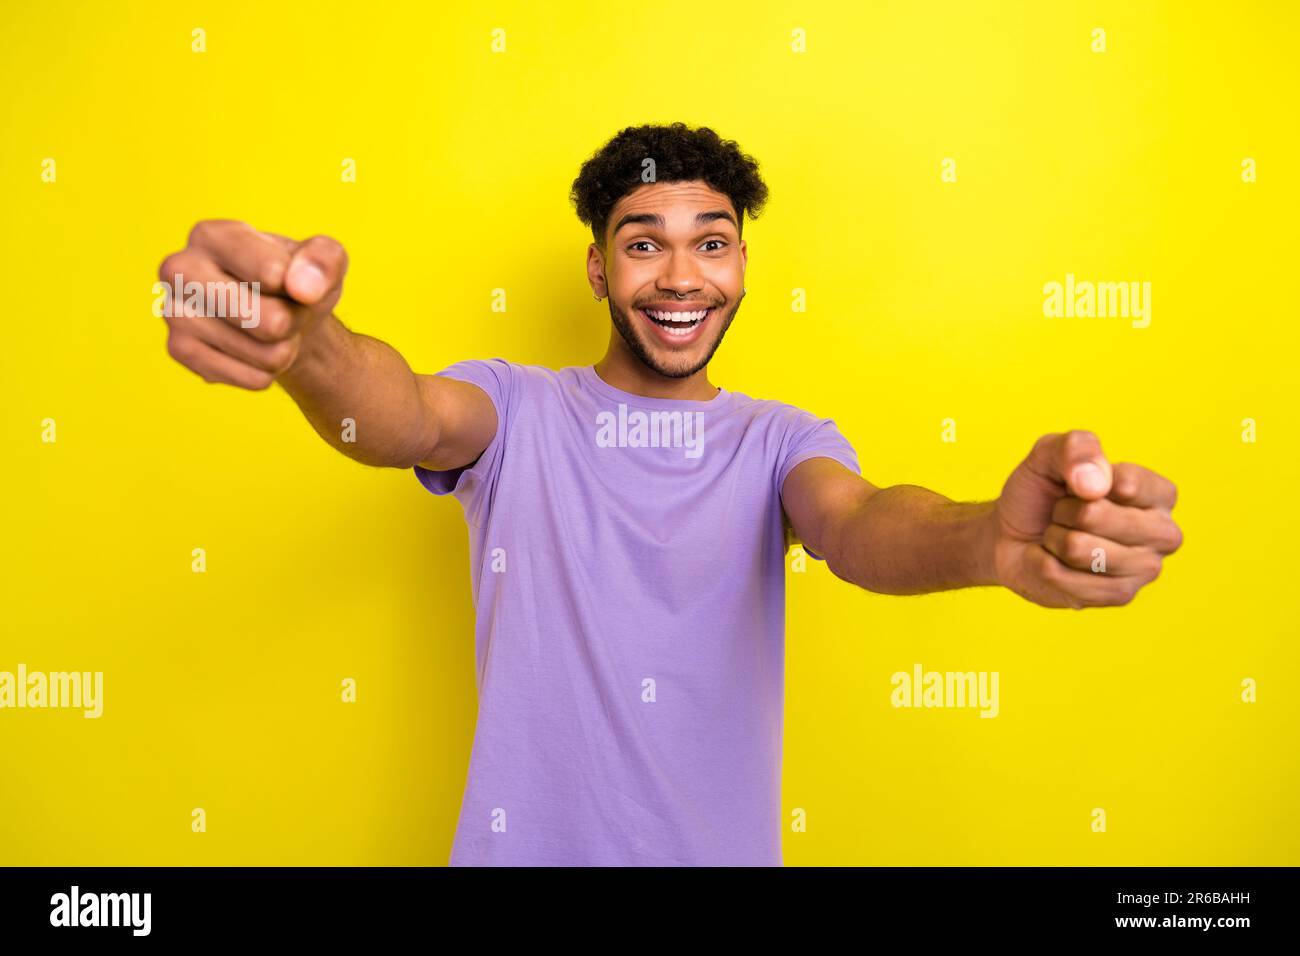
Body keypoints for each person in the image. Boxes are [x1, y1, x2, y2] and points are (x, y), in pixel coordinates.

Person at [154, 122, 1182, 866]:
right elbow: (405, 415)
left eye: (711, 241)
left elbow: (858, 522)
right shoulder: (517, 411)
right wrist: (307, 346)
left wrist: (987, 544)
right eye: (643, 242)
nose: (679, 275)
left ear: (741, 266)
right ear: (598, 269)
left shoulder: (780, 440)